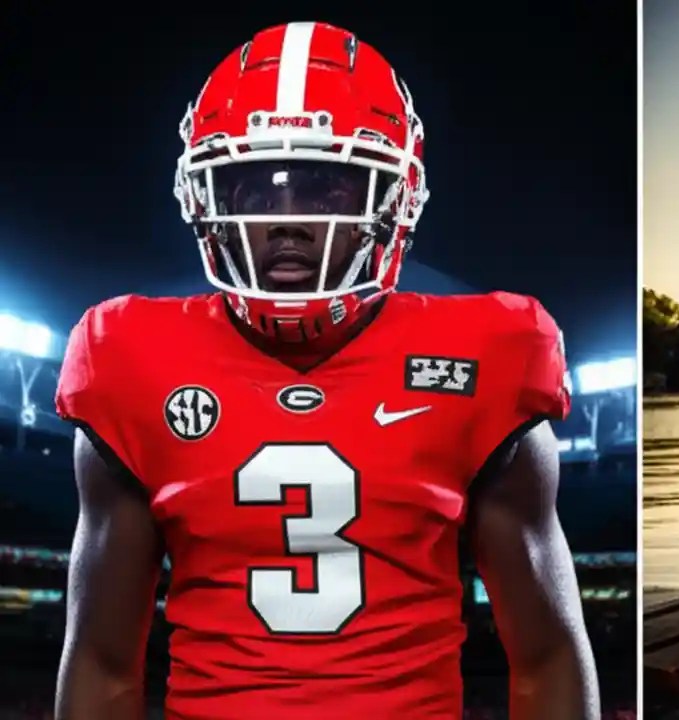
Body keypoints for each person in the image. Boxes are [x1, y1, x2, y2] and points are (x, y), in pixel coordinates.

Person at [52, 22, 599, 720]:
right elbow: (101, 664)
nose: (291, 221)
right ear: (204, 198)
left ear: (395, 202)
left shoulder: (487, 352)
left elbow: (548, 654)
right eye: (256, 189)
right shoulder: (127, 357)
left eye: (327, 189)